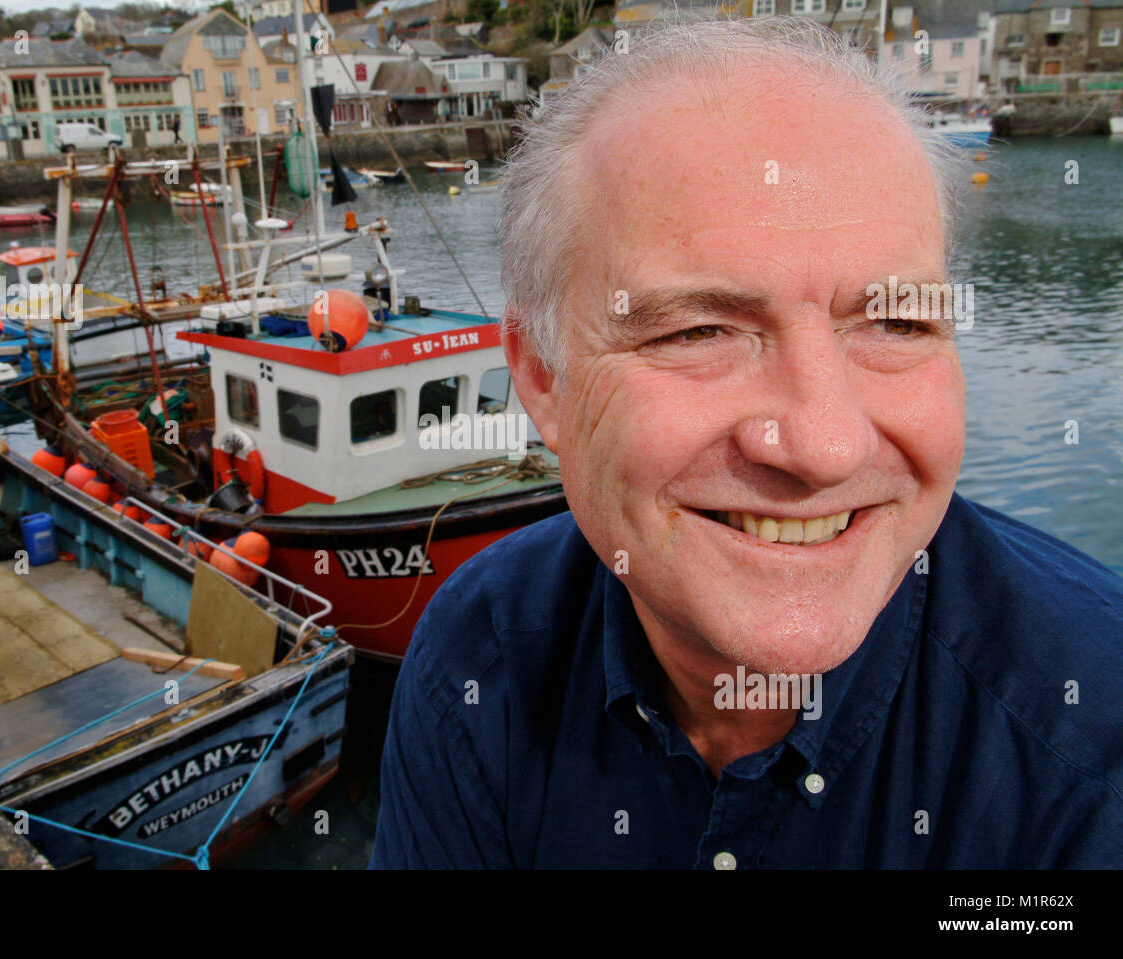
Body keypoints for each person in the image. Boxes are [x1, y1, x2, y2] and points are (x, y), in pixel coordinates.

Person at [370, 17, 1123, 868]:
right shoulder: (479, 662)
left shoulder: (1094, 757)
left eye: (898, 322)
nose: (826, 444)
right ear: (543, 377)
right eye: (697, 332)